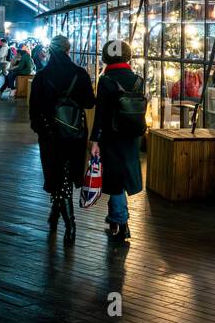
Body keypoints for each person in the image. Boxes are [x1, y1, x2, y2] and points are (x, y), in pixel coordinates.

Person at [30, 35, 95, 243]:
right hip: (75, 133)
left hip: (51, 134)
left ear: (51, 51)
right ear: (68, 50)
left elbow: (35, 107)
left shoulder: (42, 75)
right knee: (65, 175)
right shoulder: (80, 74)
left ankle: (70, 224)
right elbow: (89, 103)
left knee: (58, 176)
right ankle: (56, 215)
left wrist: (40, 127)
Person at [90, 40, 145, 243]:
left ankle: (121, 222)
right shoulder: (138, 80)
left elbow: (100, 114)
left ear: (106, 57)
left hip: (111, 136)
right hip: (132, 135)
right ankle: (115, 217)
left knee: (115, 180)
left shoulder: (106, 80)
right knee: (124, 175)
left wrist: (95, 140)